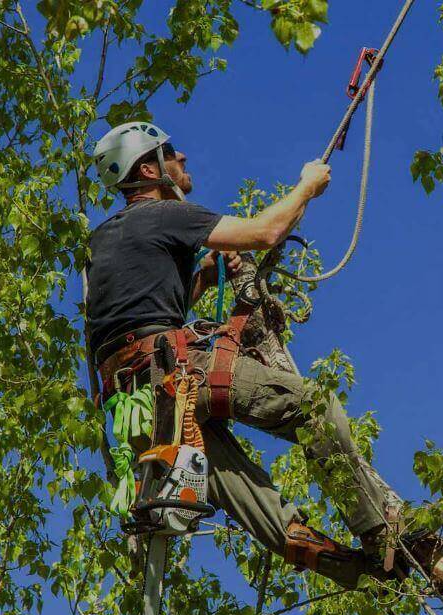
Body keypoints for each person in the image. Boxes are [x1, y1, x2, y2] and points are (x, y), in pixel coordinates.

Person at [86, 121, 405, 587]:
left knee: (250, 497)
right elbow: (266, 231)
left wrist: (205, 273)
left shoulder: (103, 240)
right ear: (152, 169)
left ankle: (354, 573)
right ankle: (379, 532)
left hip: (137, 406)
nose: (184, 159)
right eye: (171, 152)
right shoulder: (164, 215)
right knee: (315, 408)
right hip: (176, 372)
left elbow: (138, 314)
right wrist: (307, 187)